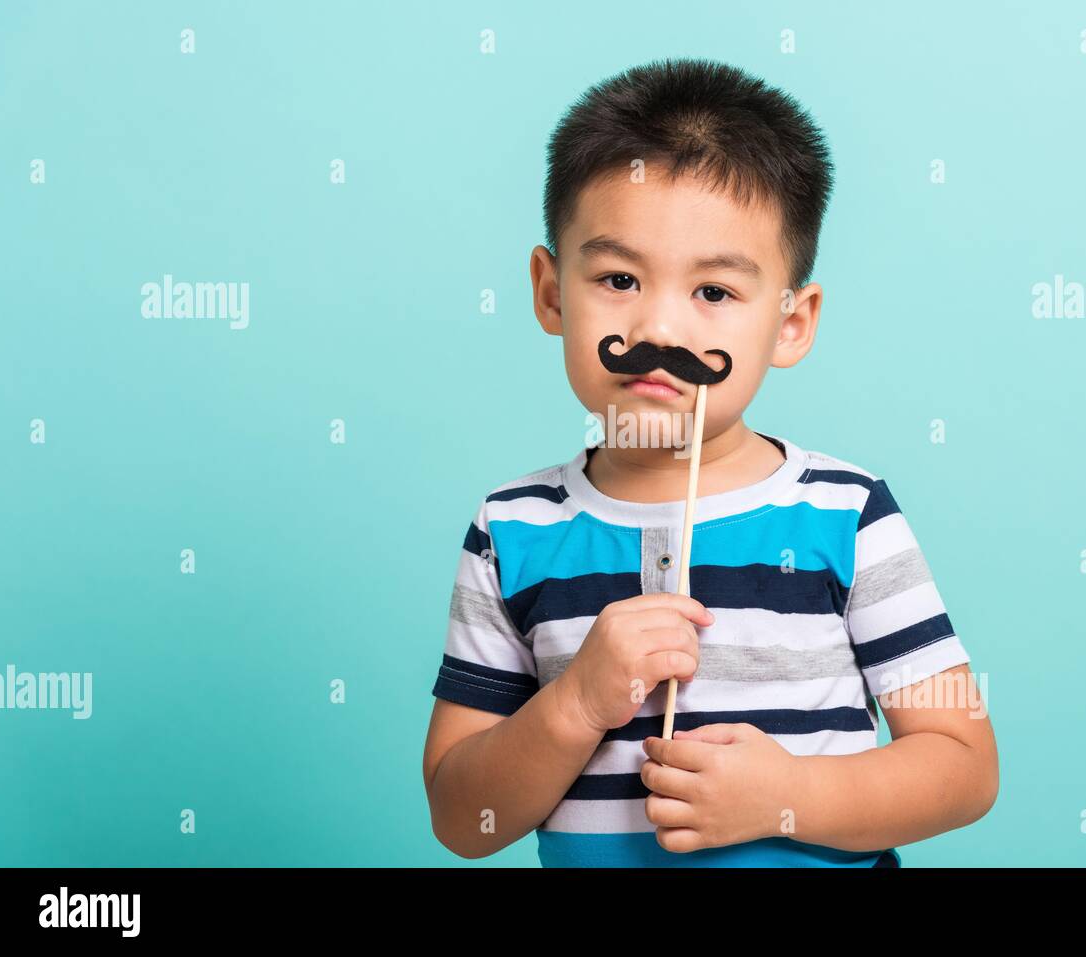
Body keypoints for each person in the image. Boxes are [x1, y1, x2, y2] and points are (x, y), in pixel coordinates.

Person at [423, 57, 998, 867]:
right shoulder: (512, 531)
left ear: (793, 323)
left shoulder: (846, 514)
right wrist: (574, 704)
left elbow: (964, 766)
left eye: (715, 293)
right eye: (619, 277)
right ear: (551, 292)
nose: (660, 327)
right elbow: (460, 815)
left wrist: (789, 797)